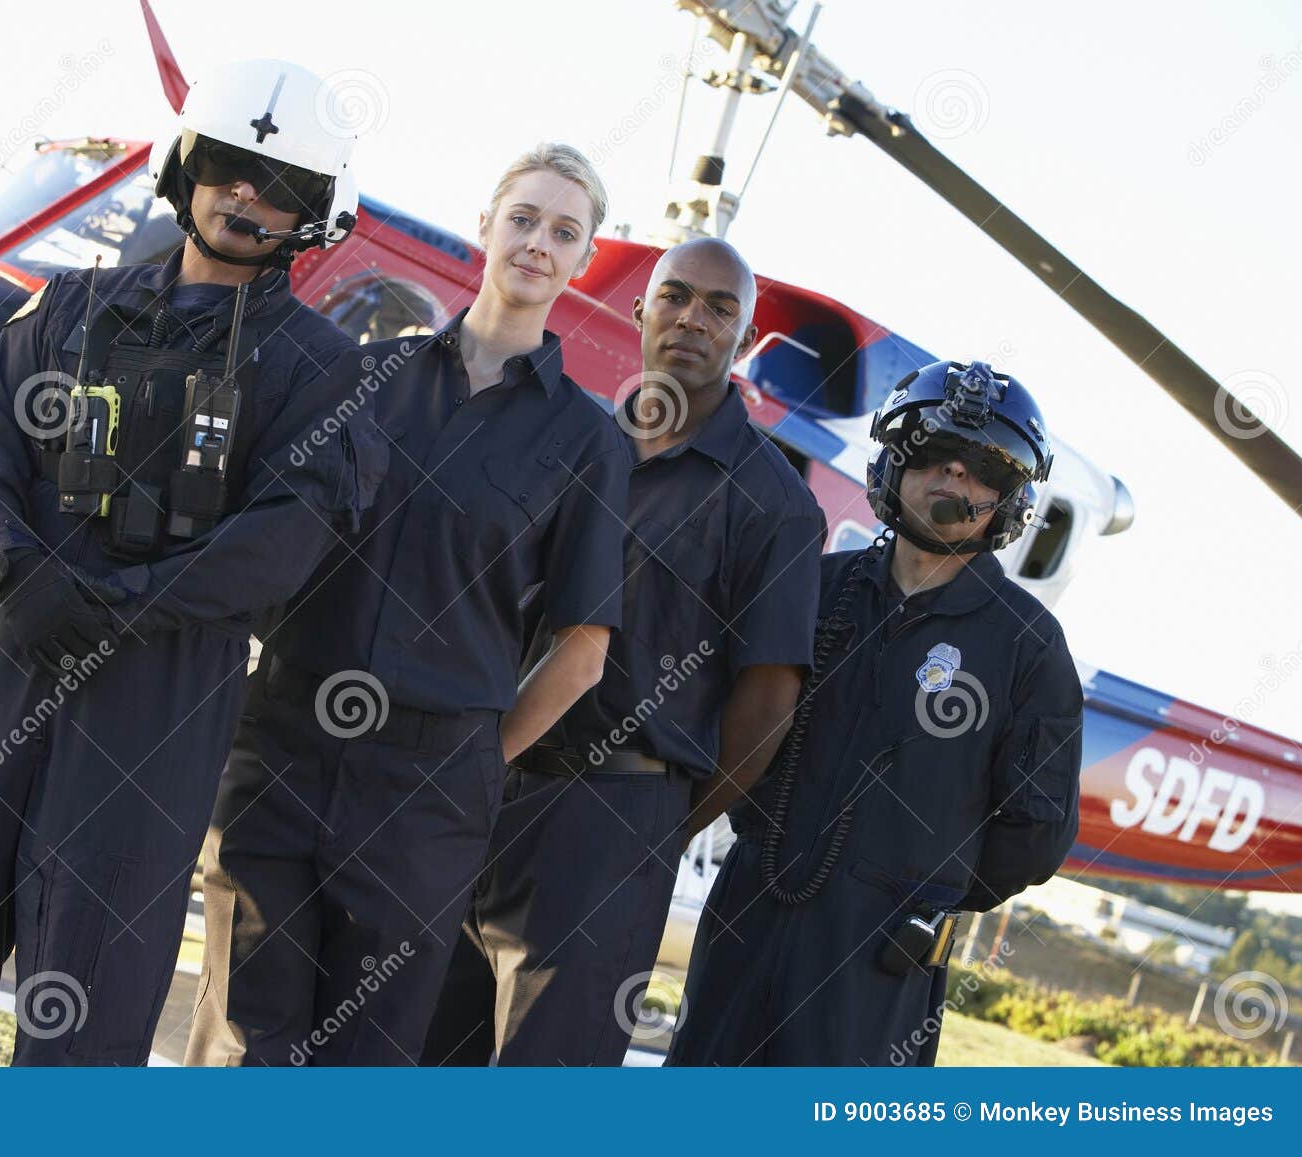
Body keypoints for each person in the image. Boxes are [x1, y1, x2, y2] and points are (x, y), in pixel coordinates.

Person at [0, 59, 385, 1066]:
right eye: (225, 166)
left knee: (83, 1012)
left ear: (317, 211)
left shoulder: (322, 373)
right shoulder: (64, 309)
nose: (245, 195)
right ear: (184, 171)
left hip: (154, 710)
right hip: (7, 669)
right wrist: (22, 569)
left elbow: (280, 539)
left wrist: (122, 603)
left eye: (277, 184)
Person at [184, 143, 631, 1066]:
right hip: (283, 746)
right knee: (242, 1034)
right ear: (485, 225)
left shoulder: (589, 442)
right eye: (523, 218)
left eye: (563, 232)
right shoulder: (361, 378)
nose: (537, 244)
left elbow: (582, 652)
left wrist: (469, 763)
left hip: (431, 791)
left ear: (584, 260)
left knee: (367, 1057)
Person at [422, 238, 823, 1066]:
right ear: (641, 312)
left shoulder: (774, 503)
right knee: (421, 1057)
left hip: (614, 817)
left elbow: (769, 703)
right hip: (484, 788)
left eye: (720, 308)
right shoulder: (574, 443)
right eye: (675, 296)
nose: (692, 318)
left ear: (744, 342)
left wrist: (659, 831)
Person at [667, 359, 1084, 1066]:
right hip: (749, 909)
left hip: (884, 953)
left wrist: (911, 882)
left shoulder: (1028, 647)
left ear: (1008, 498)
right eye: (931, 452)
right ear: (893, 462)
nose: (953, 479)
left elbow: (1036, 835)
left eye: (983, 467)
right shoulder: (812, 588)